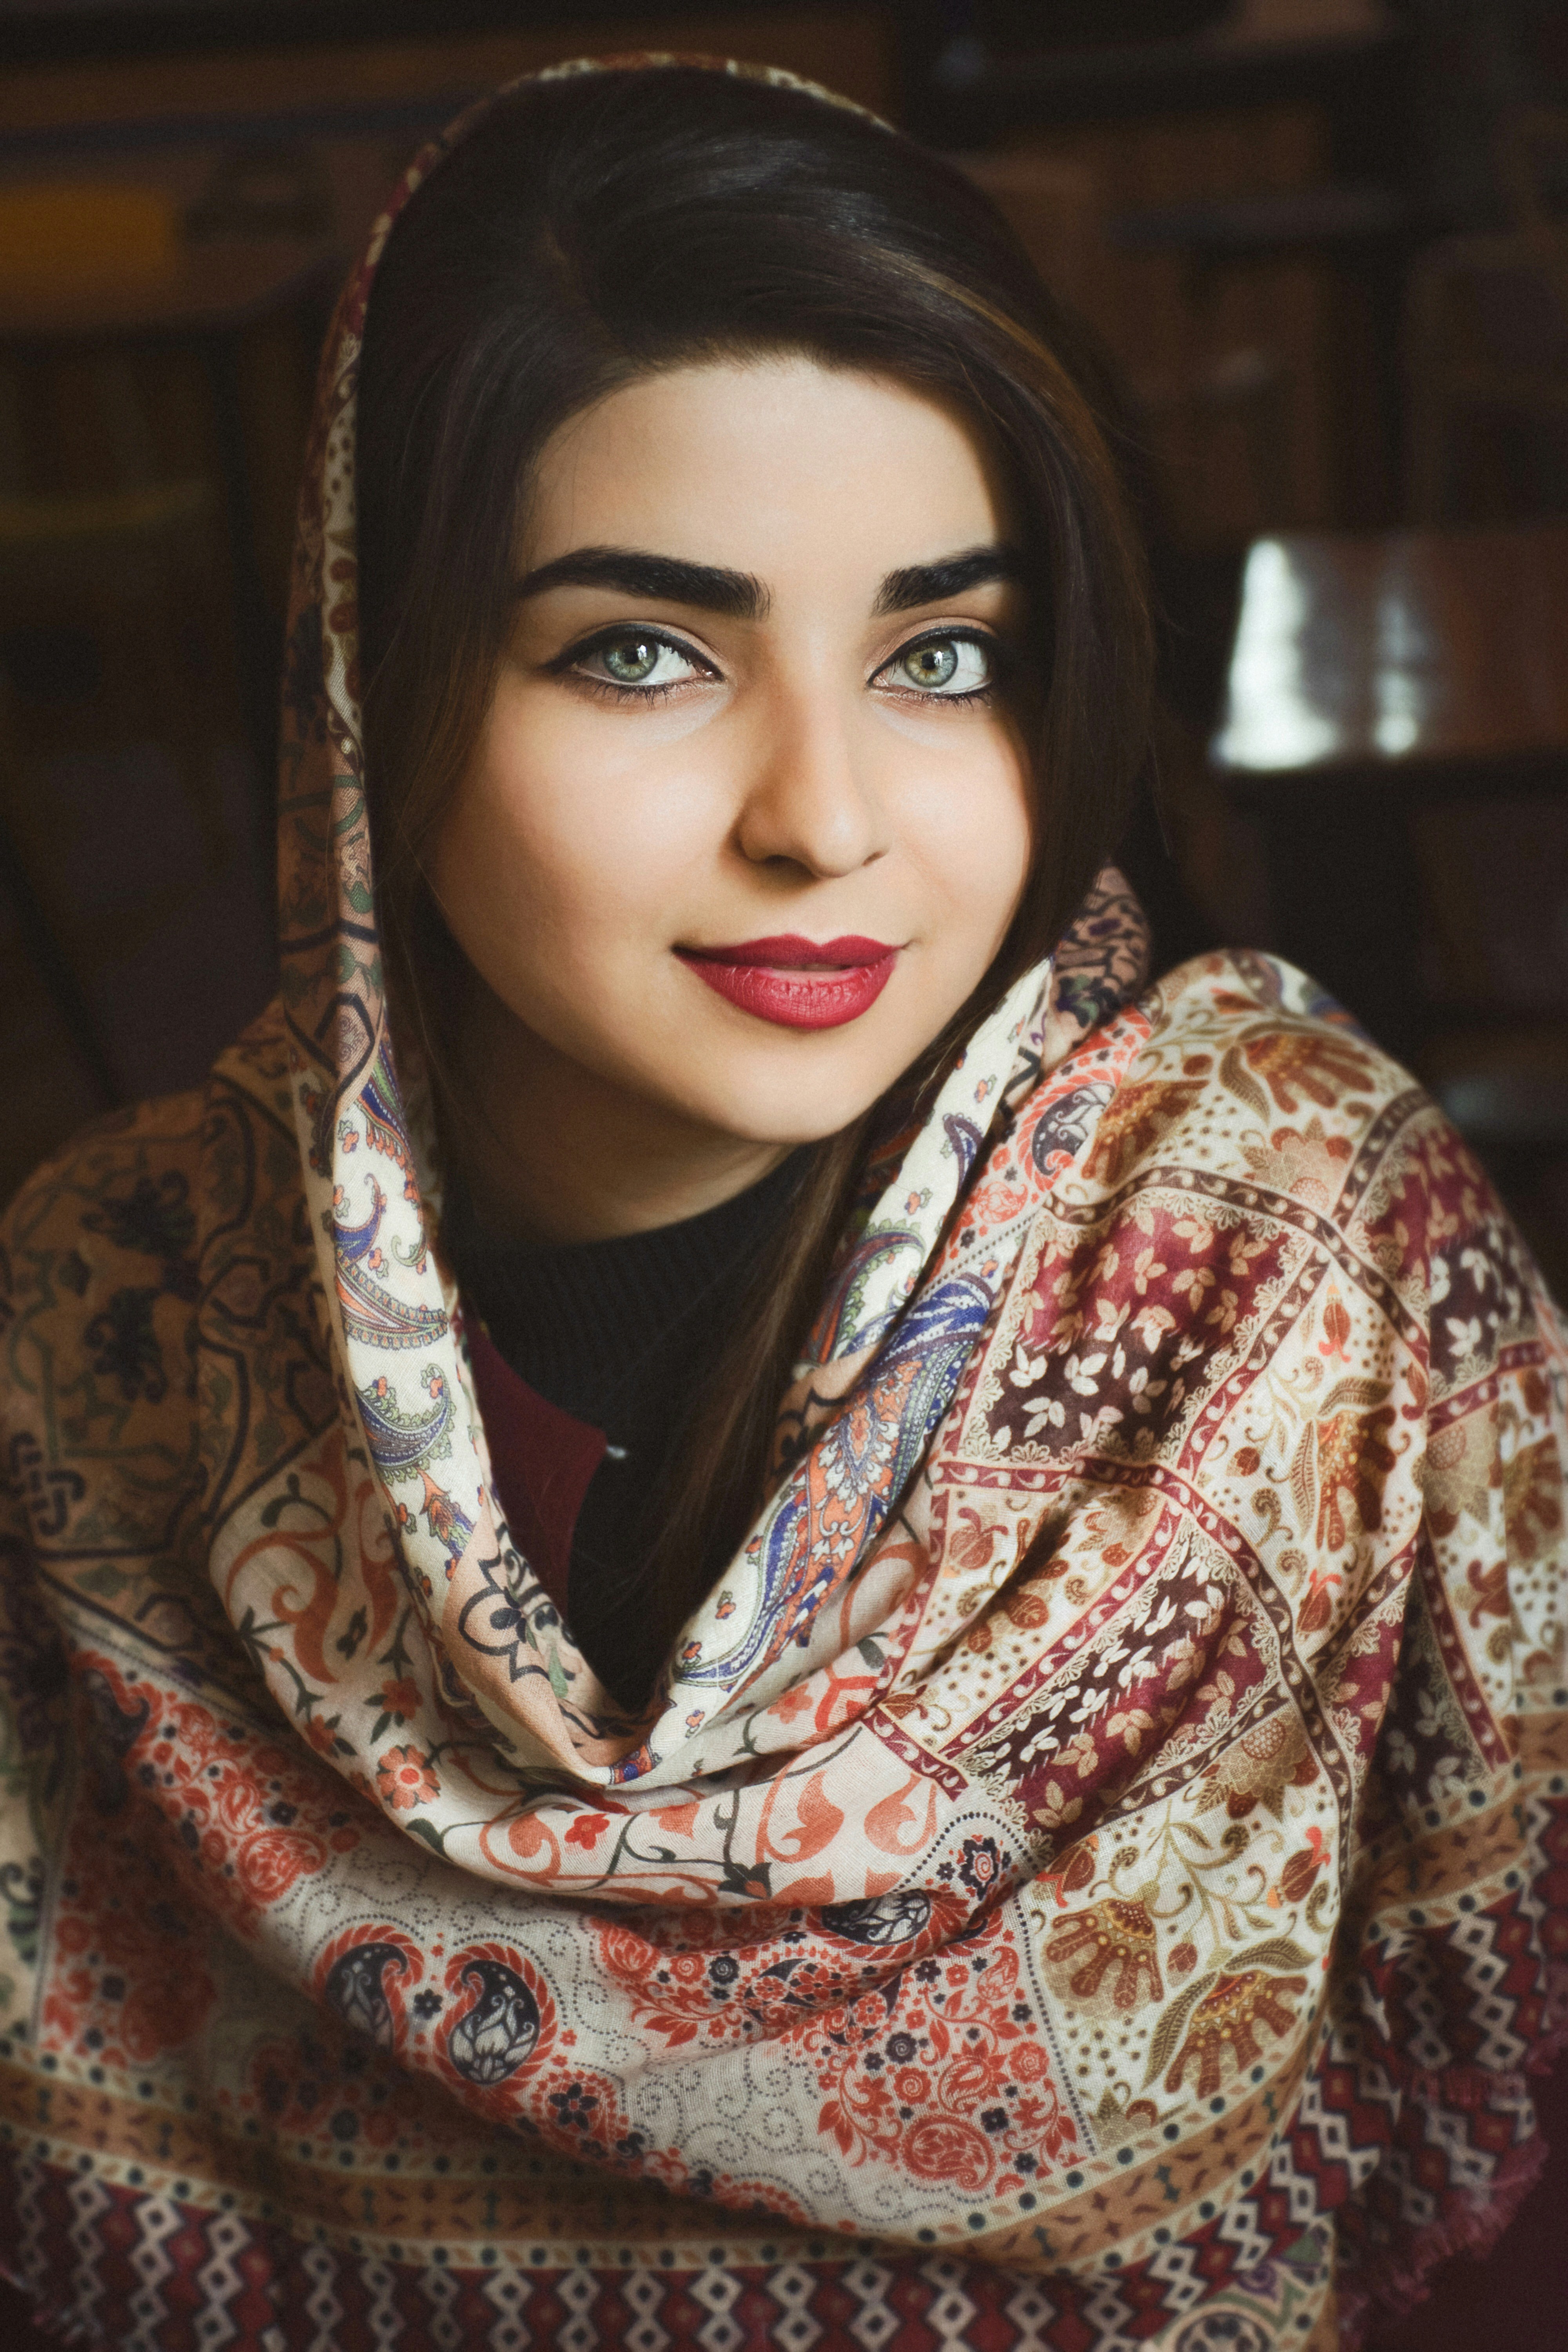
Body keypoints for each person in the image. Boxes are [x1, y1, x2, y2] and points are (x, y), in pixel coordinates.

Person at [0, 60, 1563, 2352]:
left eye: (946, 653)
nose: (823, 817)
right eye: (642, 649)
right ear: (378, 684)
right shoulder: (92, 1333)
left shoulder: (1300, 1281)